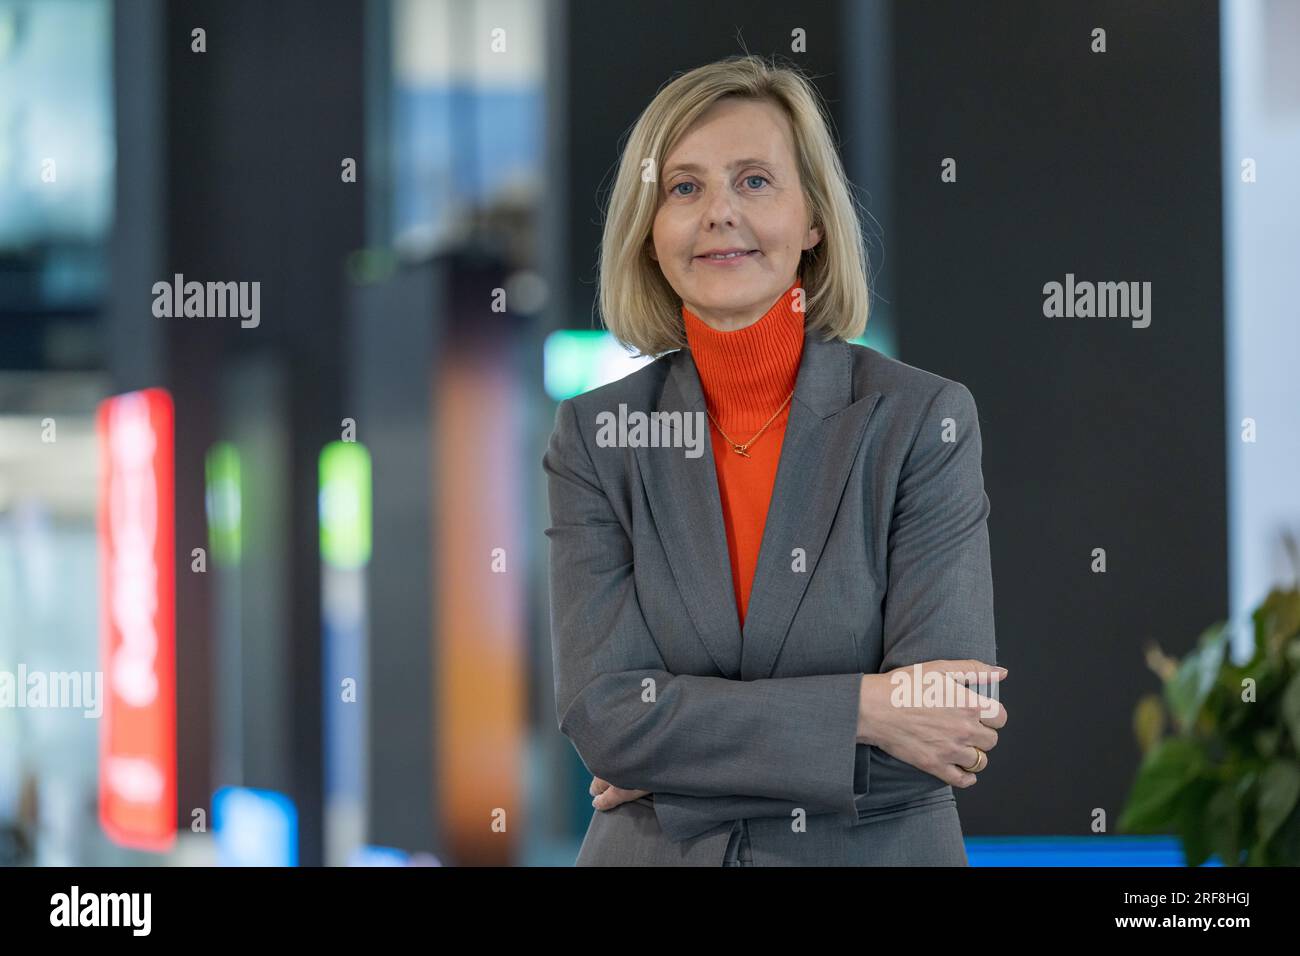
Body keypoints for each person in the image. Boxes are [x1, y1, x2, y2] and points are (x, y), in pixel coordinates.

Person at [543, 54, 1007, 866]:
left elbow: (947, 726)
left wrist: (670, 764)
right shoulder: (594, 437)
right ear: (650, 234)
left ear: (814, 220)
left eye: (754, 180)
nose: (719, 211)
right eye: (683, 188)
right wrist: (863, 706)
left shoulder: (922, 421)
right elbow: (607, 721)